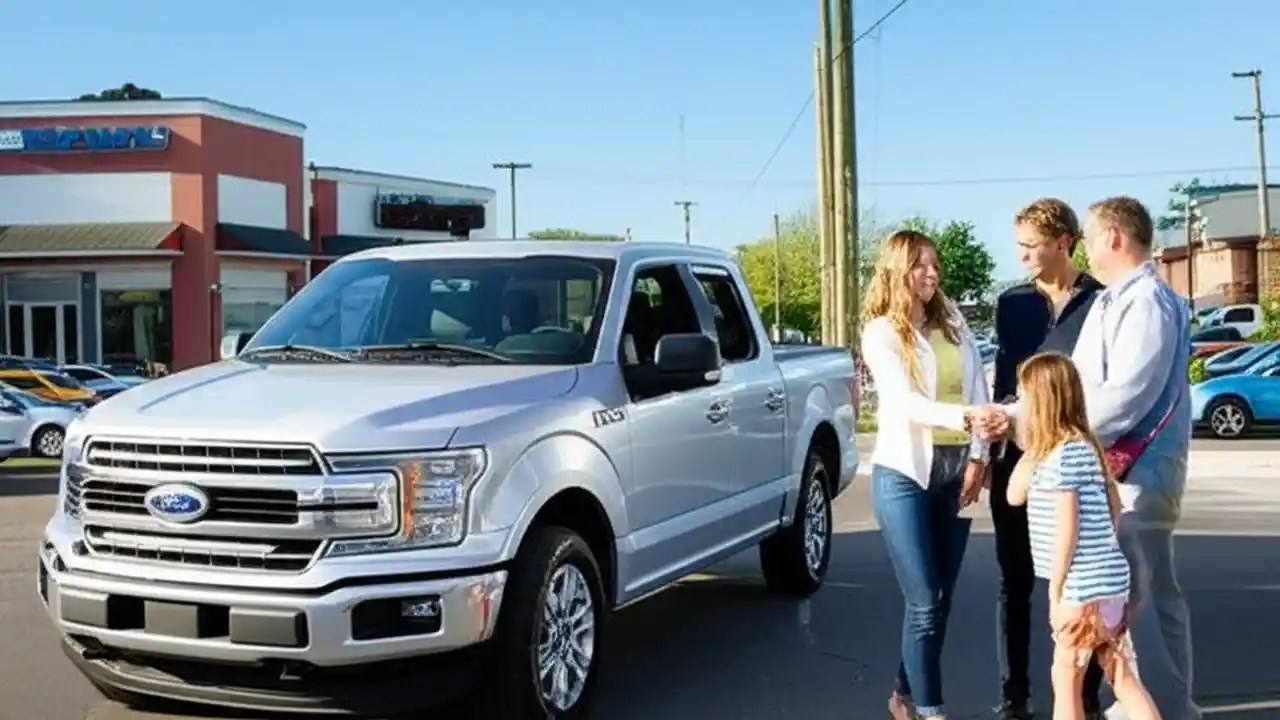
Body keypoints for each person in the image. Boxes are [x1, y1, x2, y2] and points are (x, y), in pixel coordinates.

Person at [977, 197, 1197, 720]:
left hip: (1136, 473)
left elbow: (1122, 398)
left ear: (1116, 239)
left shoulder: (1145, 304)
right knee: (1140, 604)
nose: (1089, 247)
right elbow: (1070, 386)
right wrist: (1012, 415)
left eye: (1093, 236)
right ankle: (1159, 705)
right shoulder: (1116, 301)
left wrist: (1036, 427)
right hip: (1120, 475)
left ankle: (1164, 708)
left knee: (1137, 611)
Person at [860, 229, 992, 720]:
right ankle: (931, 712)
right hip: (905, 474)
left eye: (935, 264)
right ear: (897, 270)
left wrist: (979, 455)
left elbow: (978, 384)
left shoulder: (952, 320)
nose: (932, 273)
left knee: (941, 601)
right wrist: (965, 418)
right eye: (920, 265)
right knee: (924, 599)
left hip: (957, 469)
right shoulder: (881, 332)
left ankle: (902, 691)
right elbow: (903, 403)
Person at [990, 198, 1106, 720]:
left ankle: (1085, 696)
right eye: (1019, 247)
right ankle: (1015, 695)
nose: (1023, 258)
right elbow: (1003, 382)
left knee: (1085, 582)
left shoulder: (1102, 303)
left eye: (1030, 247)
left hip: (1079, 463)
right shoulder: (1011, 303)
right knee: (1014, 579)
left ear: (1064, 242)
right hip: (1020, 461)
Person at [1005, 351, 1160, 720]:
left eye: (1023, 397)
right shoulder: (1084, 447)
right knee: (1120, 673)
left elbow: (1067, 529)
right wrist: (1029, 449)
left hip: (1078, 587)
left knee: (1066, 677)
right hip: (1109, 584)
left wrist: (1056, 592)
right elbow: (1016, 495)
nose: (1018, 405)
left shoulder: (1058, 457)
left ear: (1042, 402)